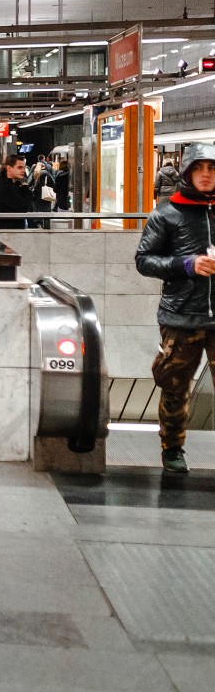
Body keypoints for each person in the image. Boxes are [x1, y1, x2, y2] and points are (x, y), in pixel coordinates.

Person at [135, 143, 215, 473]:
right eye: (199, 168)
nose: (206, 175)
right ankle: (172, 449)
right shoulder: (166, 214)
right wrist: (186, 265)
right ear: (186, 172)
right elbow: (144, 260)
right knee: (174, 388)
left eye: (212, 169)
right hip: (181, 316)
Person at [0, 154, 34, 228]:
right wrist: (25, 189)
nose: (23, 171)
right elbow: (23, 207)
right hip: (7, 229)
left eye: (24, 167)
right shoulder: (4, 186)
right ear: (9, 168)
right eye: (19, 167)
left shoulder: (12, 183)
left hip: (9, 228)